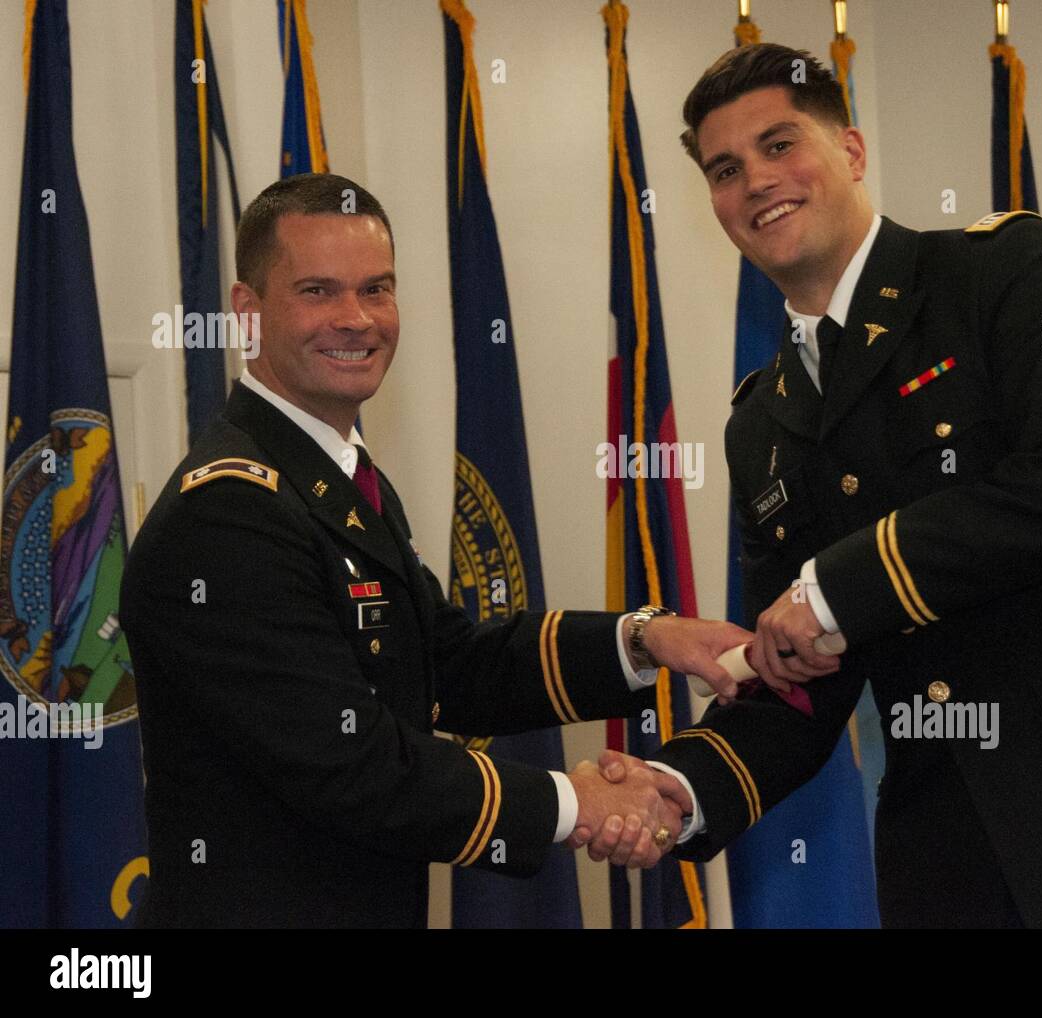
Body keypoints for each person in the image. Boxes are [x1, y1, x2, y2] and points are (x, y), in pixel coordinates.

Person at [588, 44, 1042, 928]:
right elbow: (797, 680)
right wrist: (676, 788)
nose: (757, 182)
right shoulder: (759, 424)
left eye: (780, 145)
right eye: (726, 170)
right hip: (954, 860)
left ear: (850, 150)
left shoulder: (999, 269)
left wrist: (839, 585)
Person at [120, 173, 748, 928]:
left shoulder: (336, 475)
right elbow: (353, 766)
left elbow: (450, 664)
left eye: (376, 289)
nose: (355, 319)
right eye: (318, 291)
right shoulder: (229, 512)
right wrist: (575, 801)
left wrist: (645, 639)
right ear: (248, 313)